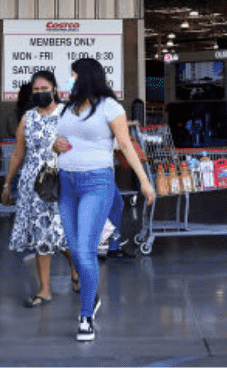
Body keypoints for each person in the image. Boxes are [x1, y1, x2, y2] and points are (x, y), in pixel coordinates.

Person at [51, 57, 155, 342]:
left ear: (84, 77)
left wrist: (144, 181)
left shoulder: (110, 107)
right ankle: (91, 292)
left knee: (85, 251)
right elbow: (57, 143)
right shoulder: (66, 109)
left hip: (97, 183)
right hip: (66, 184)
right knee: (75, 250)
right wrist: (54, 144)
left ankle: (86, 315)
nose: (69, 80)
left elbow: (125, 145)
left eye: (73, 76)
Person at [1, 70, 79, 305]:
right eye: (36, 90)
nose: (40, 93)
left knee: (60, 235)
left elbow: (80, 145)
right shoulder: (28, 117)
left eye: (44, 89)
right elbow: (18, 152)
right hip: (32, 186)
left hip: (59, 183)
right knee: (40, 236)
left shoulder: (67, 113)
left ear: (55, 90)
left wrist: (62, 146)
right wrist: (7, 183)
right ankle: (44, 289)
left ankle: (75, 269)